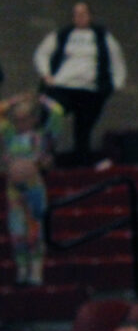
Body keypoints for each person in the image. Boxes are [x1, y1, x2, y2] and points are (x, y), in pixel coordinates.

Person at [32, 2, 126, 167]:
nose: (79, 17)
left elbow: (117, 60)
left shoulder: (102, 36)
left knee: (83, 129)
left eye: (83, 14)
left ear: (90, 15)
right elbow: (42, 53)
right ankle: (44, 157)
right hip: (63, 86)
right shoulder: (63, 34)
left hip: (89, 90)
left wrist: (116, 84)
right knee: (51, 118)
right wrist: (46, 74)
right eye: (76, 14)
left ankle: (80, 163)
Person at [2, 92, 67, 286]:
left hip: (33, 188)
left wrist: (40, 98)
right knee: (16, 230)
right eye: (17, 119)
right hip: (14, 191)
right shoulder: (8, 136)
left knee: (34, 230)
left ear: (33, 119)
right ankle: (22, 268)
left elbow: (58, 112)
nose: (20, 123)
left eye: (24, 119)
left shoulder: (41, 138)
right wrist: (13, 100)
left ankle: (36, 269)